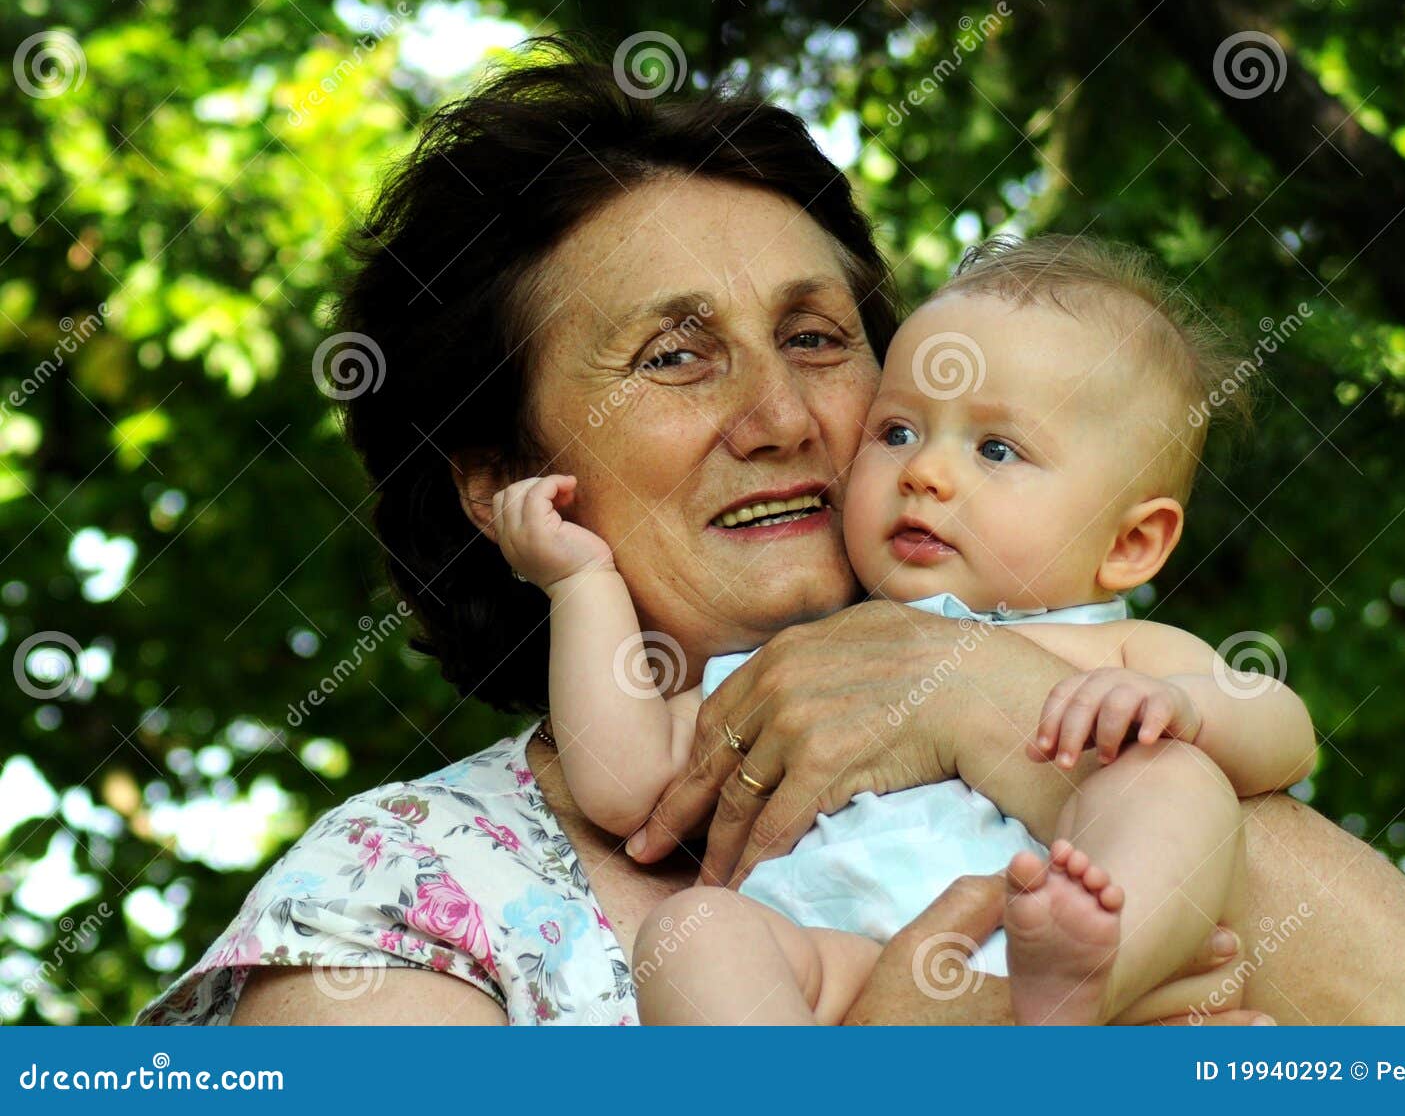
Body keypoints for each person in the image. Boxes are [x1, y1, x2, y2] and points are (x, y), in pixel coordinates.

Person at [137, 39, 1405, 1026]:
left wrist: (976, 697)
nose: (781, 414)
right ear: (507, 484)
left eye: (818, 340)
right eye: (677, 355)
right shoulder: (407, 891)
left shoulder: (1094, 724)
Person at [496, 234, 1317, 1025]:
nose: (924, 471)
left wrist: (1180, 710)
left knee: (1176, 779)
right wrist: (583, 583)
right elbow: (624, 780)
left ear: (1131, 543)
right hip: (844, 971)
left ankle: (1087, 977)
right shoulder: (804, 667)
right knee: (690, 934)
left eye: (997, 448)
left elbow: (1288, 736)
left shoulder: (1123, 653)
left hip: (1028, 938)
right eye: (896, 433)